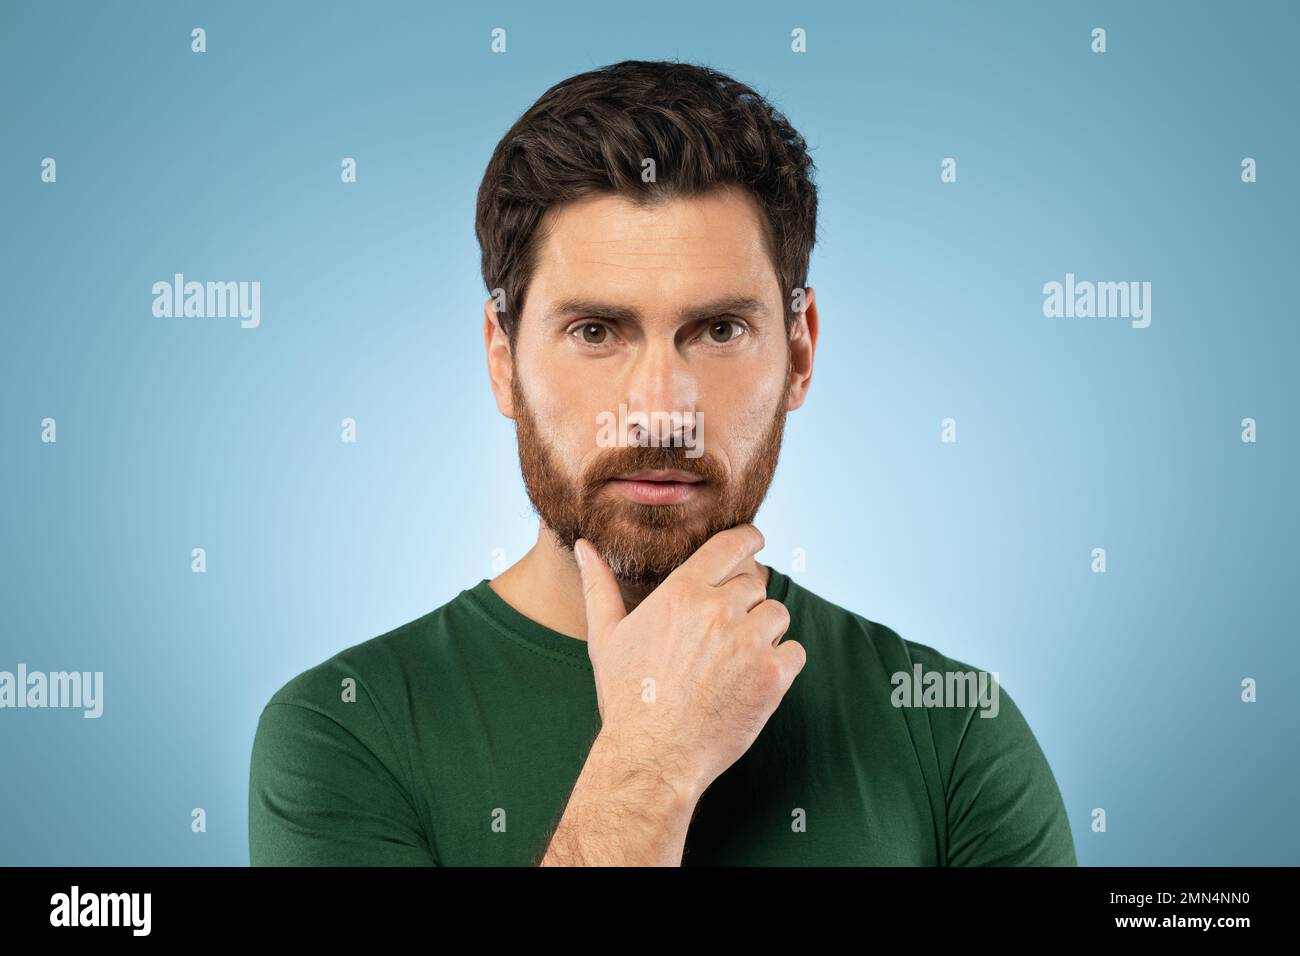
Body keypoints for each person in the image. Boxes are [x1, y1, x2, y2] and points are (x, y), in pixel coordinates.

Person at [248, 59, 1075, 866]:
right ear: (502, 359)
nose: (658, 412)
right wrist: (651, 763)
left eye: (718, 331)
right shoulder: (343, 731)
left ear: (800, 353)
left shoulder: (953, 730)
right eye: (597, 331)